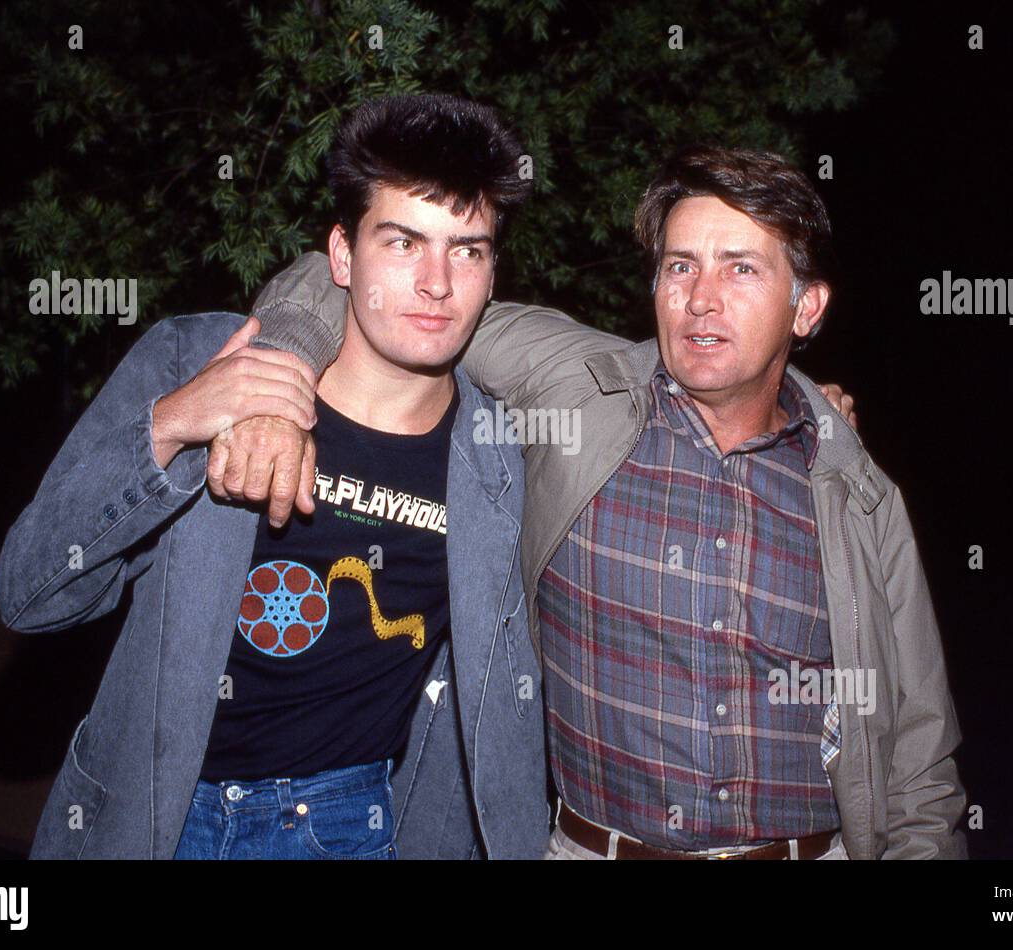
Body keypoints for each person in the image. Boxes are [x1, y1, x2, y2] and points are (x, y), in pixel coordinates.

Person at [238, 146, 966, 859]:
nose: (700, 298)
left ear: (806, 308)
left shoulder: (855, 495)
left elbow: (918, 759)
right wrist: (280, 380)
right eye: (680, 266)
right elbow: (354, 284)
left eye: (740, 268)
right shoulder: (574, 386)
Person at [0, 93, 549, 859]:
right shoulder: (198, 363)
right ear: (343, 256)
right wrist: (169, 425)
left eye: (468, 249)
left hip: (346, 825)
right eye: (402, 242)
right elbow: (30, 594)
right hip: (150, 819)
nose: (436, 283)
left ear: (492, 273)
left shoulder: (499, 456)